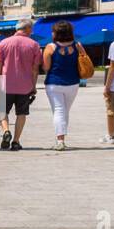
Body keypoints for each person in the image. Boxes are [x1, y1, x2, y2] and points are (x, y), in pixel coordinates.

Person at [0, 18, 41, 151]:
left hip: (5, 84)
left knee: (2, 110)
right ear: (27, 29)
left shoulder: (3, 43)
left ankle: (6, 131)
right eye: (31, 28)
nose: (32, 31)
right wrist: (34, 85)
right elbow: (35, 68)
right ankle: (15, 141)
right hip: (25, 85)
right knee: (21, 113)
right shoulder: (34, 45)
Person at [42, 20, 82, 151]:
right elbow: (84, 61)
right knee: (65, 111)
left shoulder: (50, 47)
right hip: (73, 83)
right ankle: (61, 139)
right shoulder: (78, 46)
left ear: (56, 33)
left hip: (54, 83)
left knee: (59, 111)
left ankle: (60, 141)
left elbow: (46, 67)